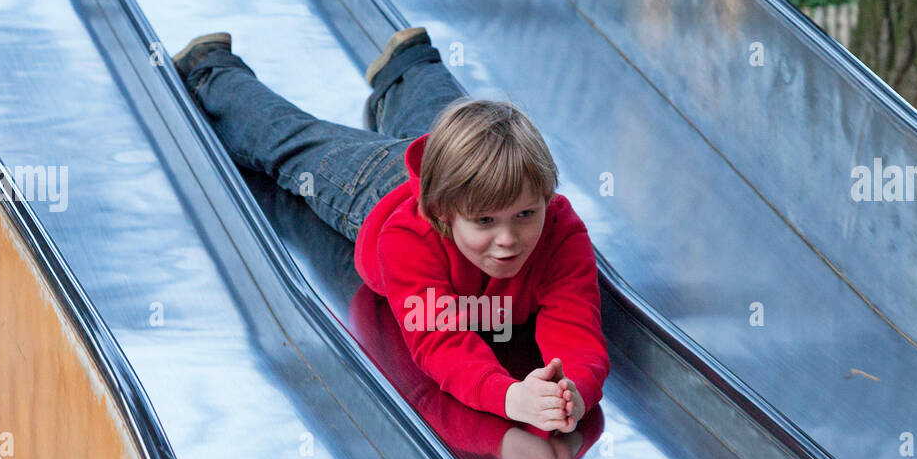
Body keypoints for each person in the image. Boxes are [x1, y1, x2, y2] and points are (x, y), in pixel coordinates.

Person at [174, 27, 608, 434]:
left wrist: (572, 391)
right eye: (485, 222)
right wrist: (511, 396)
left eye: (525, 215)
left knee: (446, 128)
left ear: (546, 198)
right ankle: (212, 73)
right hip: (376, 188)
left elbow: (577, 326)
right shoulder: (411, 237)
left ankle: (411, 63)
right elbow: (441, 342)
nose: (508, 239)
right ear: (443, 213)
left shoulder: (559, 231)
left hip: (454, 170)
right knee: (298, 145)